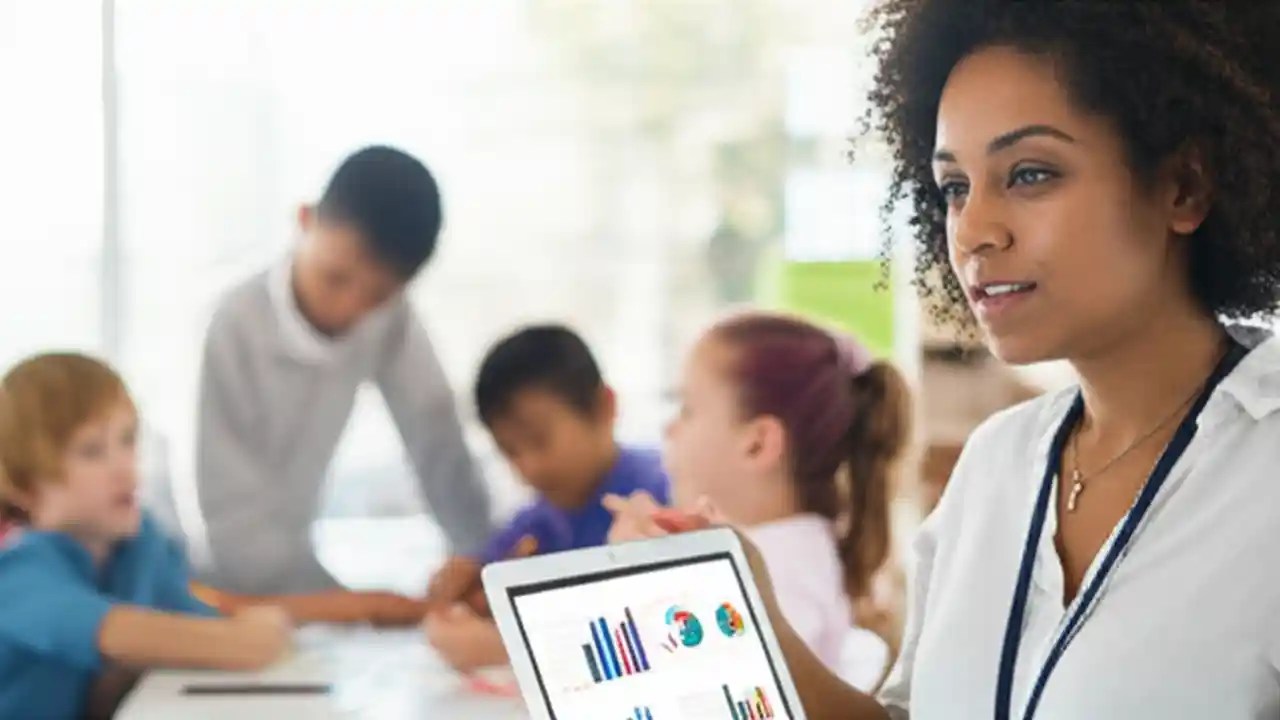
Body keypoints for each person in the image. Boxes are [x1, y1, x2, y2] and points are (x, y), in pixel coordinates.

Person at [605, 2, 1280, 718]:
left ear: (1185, 186)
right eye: (954, 188)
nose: (974, 232)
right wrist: (742, 605)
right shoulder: (998, 464)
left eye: (1029, 174)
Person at [192, 145, 492, 603]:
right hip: (204, 586)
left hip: (295, 588)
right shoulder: (228, 323)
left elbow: (439, 447)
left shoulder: (389, 318)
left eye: (377, 295)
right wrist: (356, 608)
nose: (350, 309)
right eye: (335, 278)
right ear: (305, 219)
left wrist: (482, 564)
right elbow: (233, 530)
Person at [606, 312, 910, 680]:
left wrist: (626, 585)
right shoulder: (792, 551)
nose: (668, 428)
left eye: (687, 409)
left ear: (757, 444)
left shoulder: (785, 575)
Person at [0, 354, 292, 719]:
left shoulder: (137, 549)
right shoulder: (16, 575)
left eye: (127, 440)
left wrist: (245, 632)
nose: (125, 467)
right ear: (27, 486)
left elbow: (200, 623)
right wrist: (252, 637)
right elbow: (118, 634)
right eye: (92, 451)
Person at [424, 325, 669, 671]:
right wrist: (468, 589)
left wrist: (512, 649)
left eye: (539, 440)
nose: (529, 467)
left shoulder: (663, 500)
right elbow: (488, 578)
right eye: (508, 451)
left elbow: (670, 628)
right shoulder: (538, 521)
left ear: (604, 407)